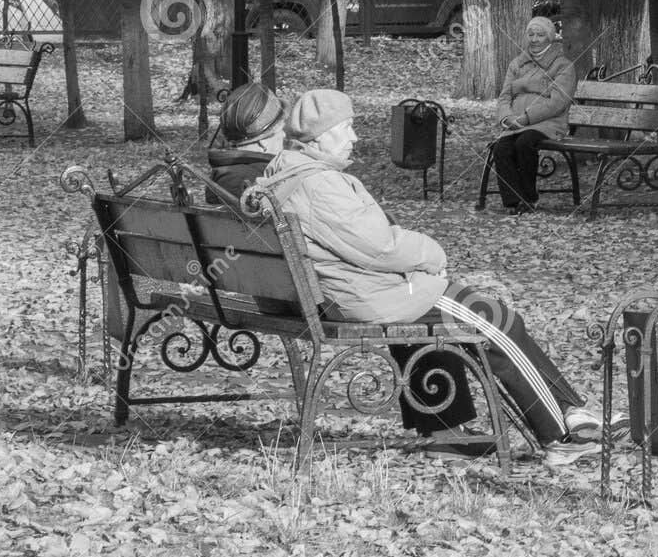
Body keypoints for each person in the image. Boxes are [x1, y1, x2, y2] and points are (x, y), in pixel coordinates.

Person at [255, 88, 608, 465]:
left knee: (466, 316)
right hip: (369, 296)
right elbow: (379, 247)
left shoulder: (288, 174)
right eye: (347, 128)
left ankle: (452, 431)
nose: (355, 137)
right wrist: (430, 254)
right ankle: (561, 433)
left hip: (347, 292)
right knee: (496, 320)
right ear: (320, 136)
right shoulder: (321, 185)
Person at [208, 84, 476, 438]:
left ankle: (443, 428)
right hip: (317, 296)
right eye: (280, 131)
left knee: (408, 294)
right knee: (424, 305)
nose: (288, 137)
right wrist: (418, 258)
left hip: (283, 291)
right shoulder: (268, 180)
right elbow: (370, 244)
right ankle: (446, 430)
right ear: (262, 138)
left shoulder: (232, 178)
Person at [490, 16, 576, 214]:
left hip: (548, 123)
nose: (535, 39)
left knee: (524, 143)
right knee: (501, 148)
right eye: (531, 35)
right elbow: (504, 97)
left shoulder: (563, 66)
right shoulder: (517, 64)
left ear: (550, 38)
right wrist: (506, 117)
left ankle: (529, 197)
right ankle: (514, 201)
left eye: (540, 35)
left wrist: (526, 118)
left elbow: (557, 103)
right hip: (516, 123)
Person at [208, 83, 286, 198]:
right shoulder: (253, 180)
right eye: (281, 130)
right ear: (262, 142)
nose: (284, 135)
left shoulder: (227, 172)